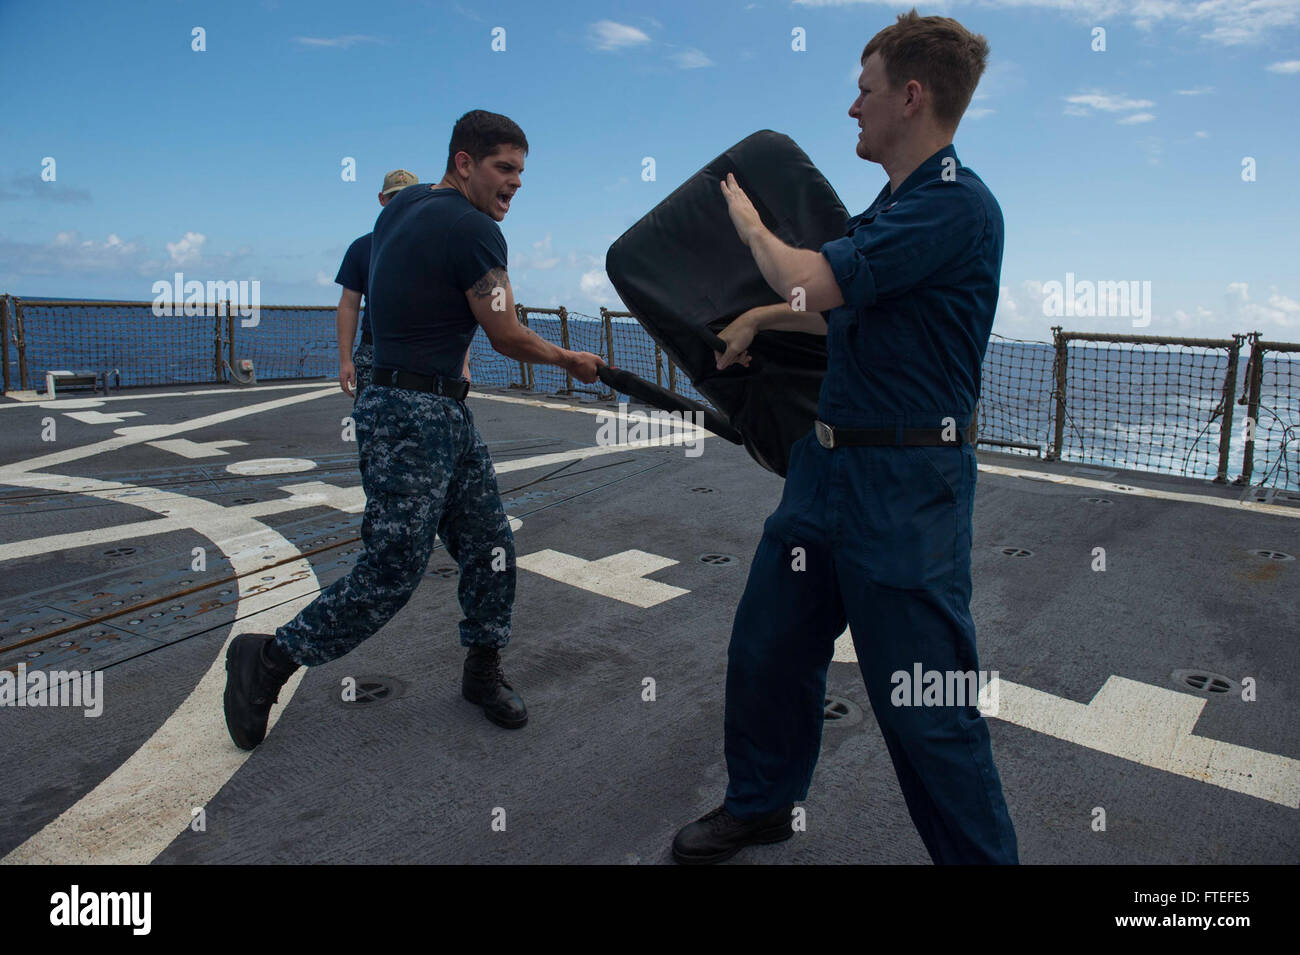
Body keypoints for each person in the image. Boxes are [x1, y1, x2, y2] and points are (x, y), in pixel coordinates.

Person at [671, 9, 1019, 864]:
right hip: (827, 472)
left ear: (910, 95)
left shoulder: (954, 206)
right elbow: (838, 313)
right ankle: (763, 802)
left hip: (906, 489)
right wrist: (757, 315)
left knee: (924, 704)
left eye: (863, 91)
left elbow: (808, 276)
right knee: (769, 644)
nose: (852, 109)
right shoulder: (891, 208)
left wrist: (747, 221)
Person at [224, 109, 604, 747]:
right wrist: (571, 359)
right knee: (392, 571)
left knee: (490, 546)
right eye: (503, 169)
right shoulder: (474, 228)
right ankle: (268, 659)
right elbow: (505, 333)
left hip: (435, 408)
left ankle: (482, 671)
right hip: (410, 416)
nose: (515, 184)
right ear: (464, 162)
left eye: (520, 172)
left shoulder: (397, 211)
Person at [336, 170, 474, 400]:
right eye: (394, 198)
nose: (400, 204)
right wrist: (345, 361)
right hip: (375, 352)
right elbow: (349, 305)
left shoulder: (440, 245)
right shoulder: (361, 249)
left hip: (430, 355)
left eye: (407, 197)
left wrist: (463, 363)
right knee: (373, 427)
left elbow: (457, 309)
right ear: (382, 200)